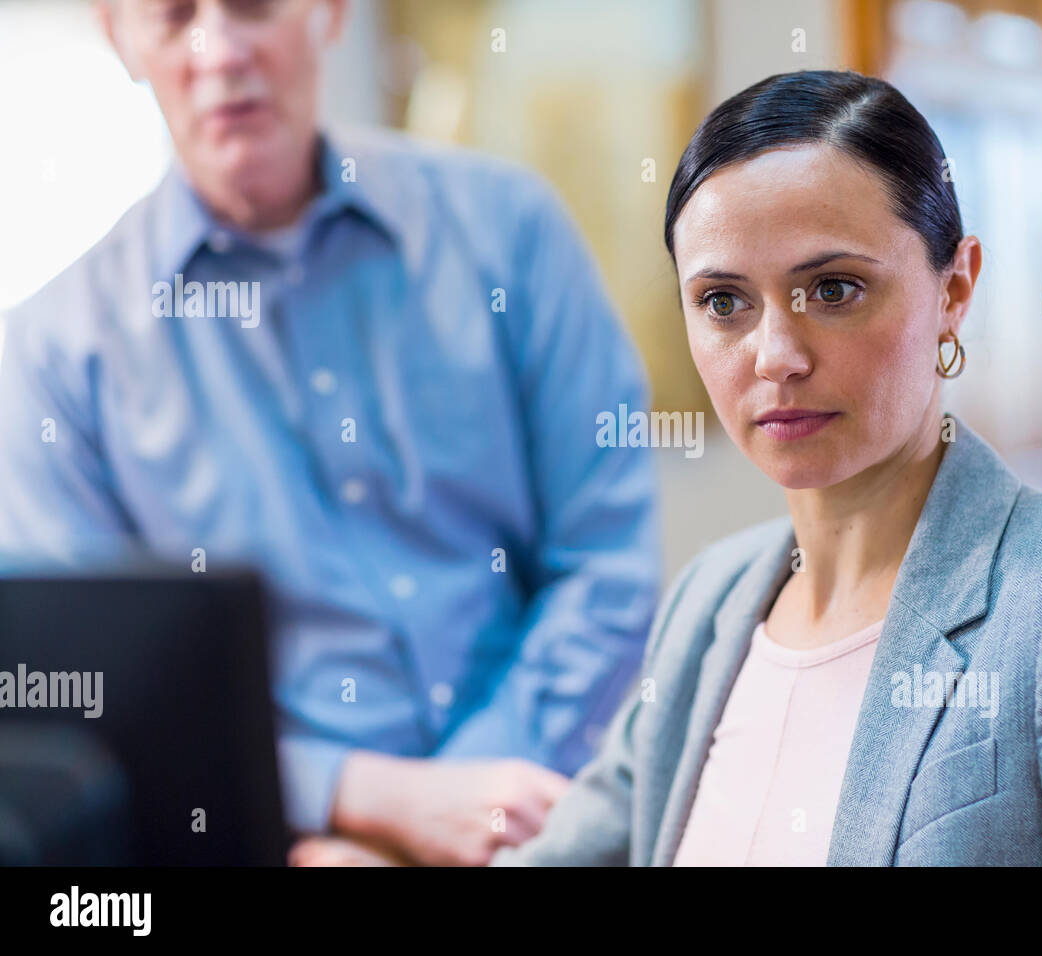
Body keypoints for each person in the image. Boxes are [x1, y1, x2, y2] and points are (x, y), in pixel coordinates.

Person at [492, 70, 1042, 866]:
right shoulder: (709, 602)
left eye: (832, 289)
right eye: (724, 302)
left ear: (955, 287)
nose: (775, 357)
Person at [0, 0, 660, 867]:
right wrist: (357, 804)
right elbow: (93, 703)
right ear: (118, 36)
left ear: (332, 12)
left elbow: (606, 558)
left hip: (553, 814)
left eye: (253, 6)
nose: (220, 51)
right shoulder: (49, 354)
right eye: (171, 16)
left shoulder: (511, 233)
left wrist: (480, 800)